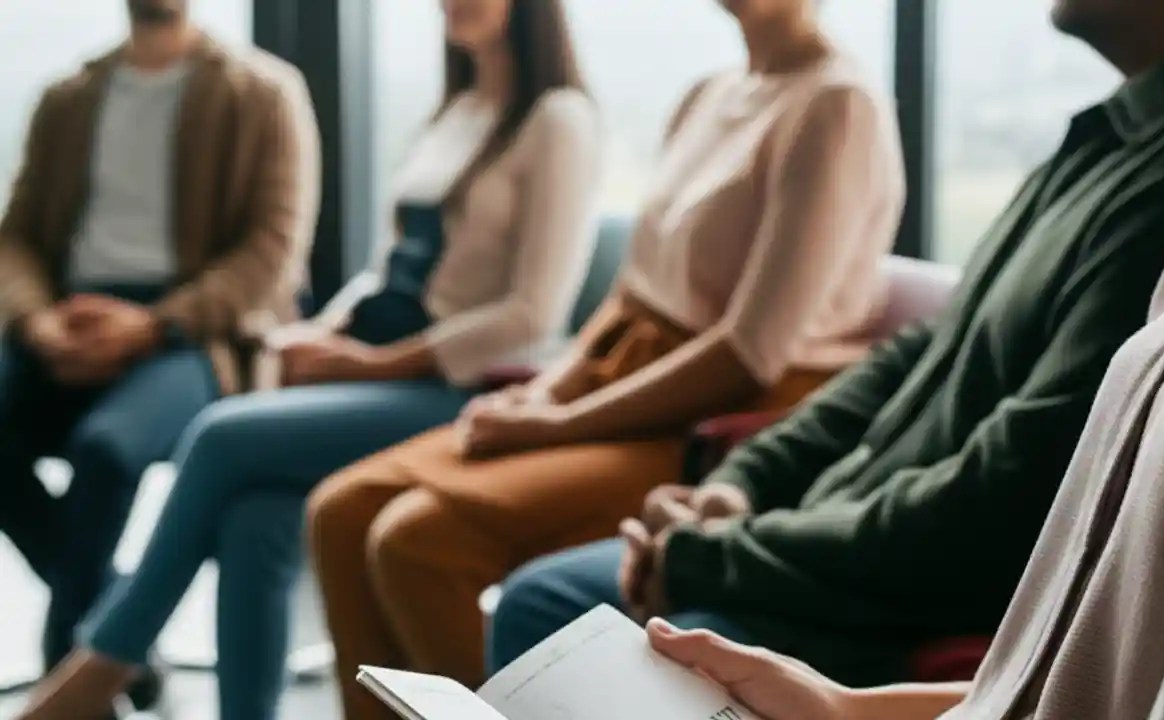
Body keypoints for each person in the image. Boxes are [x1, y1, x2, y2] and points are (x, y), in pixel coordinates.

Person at [489, 0, 1164, 692]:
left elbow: (1006, 506)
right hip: (828, 537)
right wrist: (744, 485)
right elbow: (917, 355)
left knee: (547, 608)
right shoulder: (1123, 129)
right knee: (539, 592)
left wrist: (714, 556)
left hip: (893, 611)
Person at [307, 0, 906, 714]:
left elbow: (749, 354)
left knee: (418, 542)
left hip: (717, 420)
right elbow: (631, 294)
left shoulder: (837, 106)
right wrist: (546, 392)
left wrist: (560, 425)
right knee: (339, 513)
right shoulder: (709, 93)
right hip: (624, 381)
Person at [17, 0, 602, 717]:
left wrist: (366, 368)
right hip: (387, 363)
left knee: (223, 434)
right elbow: (389, 274)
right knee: (255, 515)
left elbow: (530, 317)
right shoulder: (458, 111)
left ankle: (94, 674)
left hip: (468, 388)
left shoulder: (559, 120)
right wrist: (322, 337)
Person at [642, 128, 1164, 720]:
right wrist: (849, 712)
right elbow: (1094, 668)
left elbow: (992, 506)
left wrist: (718, 555)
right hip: (839, 591)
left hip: (855, 597)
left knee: (558, 610)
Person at [0, 0, 318, 707]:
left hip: (189, 336)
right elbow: (15, 235)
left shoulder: (262, 93)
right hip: (68, 318)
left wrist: (150, 325)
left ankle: (67, 679)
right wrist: (36, 322)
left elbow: (271, 255)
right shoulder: (68, 98)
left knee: (107, 452)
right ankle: (118, 630)